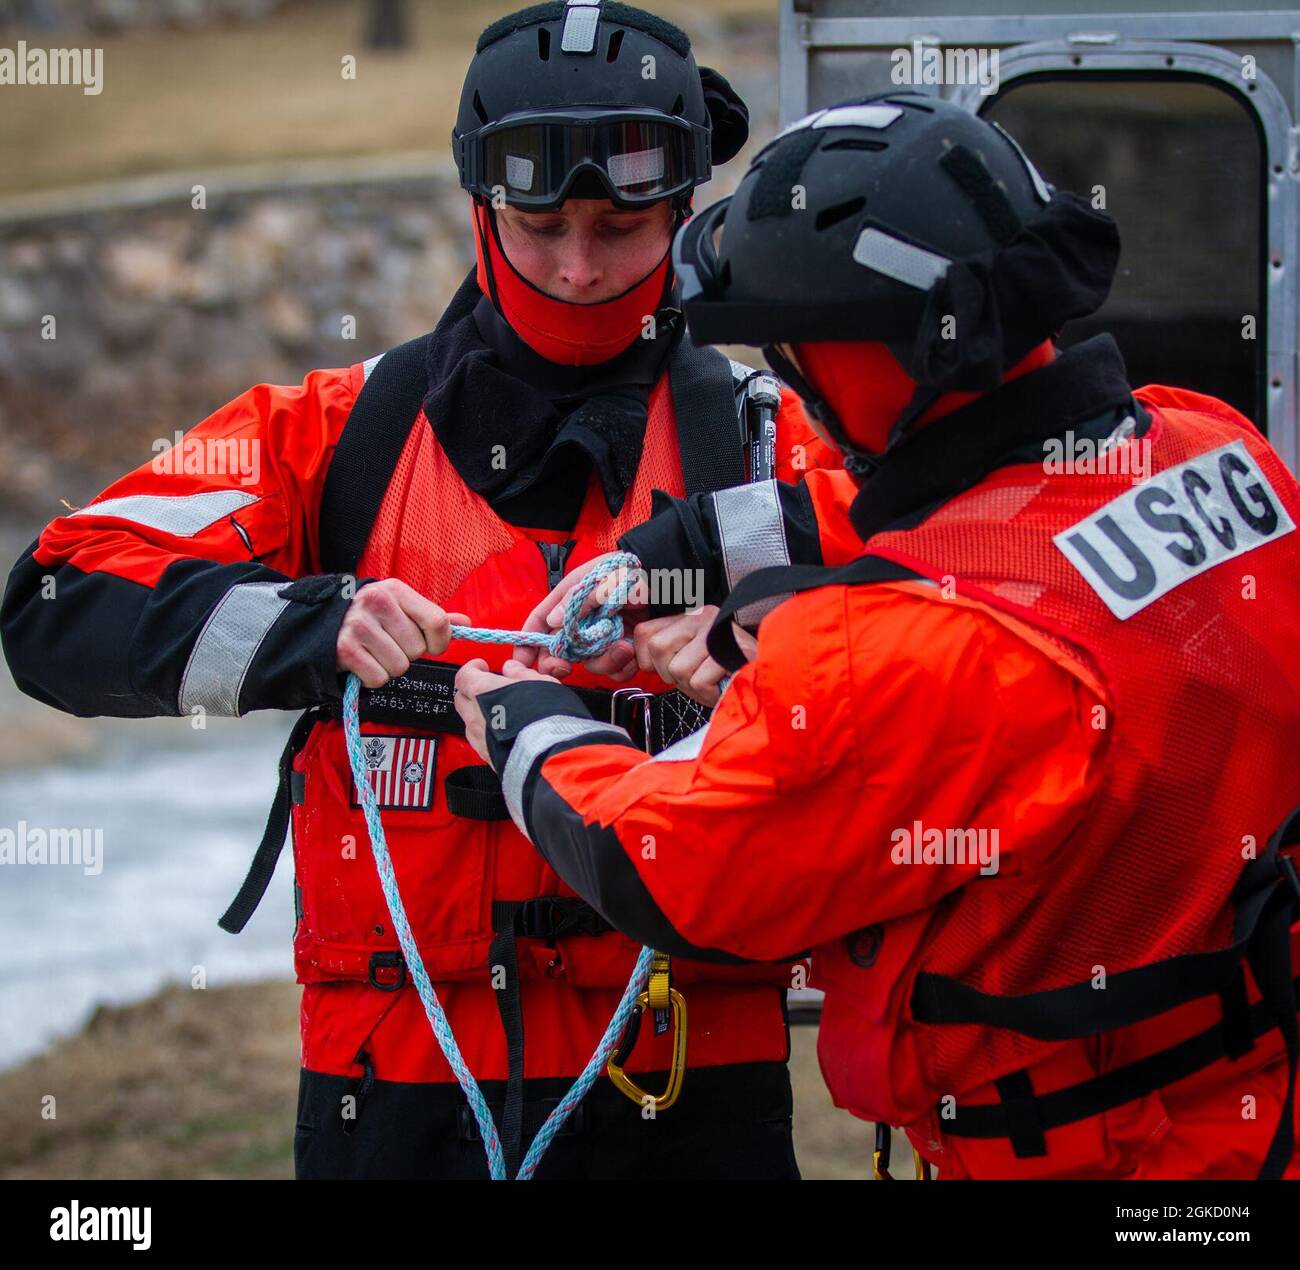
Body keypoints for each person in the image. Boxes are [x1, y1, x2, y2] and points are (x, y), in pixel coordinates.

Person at [1, 3, 836, 1180]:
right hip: (387, 1091)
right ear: (478, 206)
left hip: (686, 1076)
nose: (579, 266)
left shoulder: (769, 449)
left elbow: (946, 662)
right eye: (539, 222)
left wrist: (762, 659)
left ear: (683, 209)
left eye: (623, 224)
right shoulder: (332, 436)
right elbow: (51, 603)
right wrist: (309, 626)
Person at [454, 93, 1300, 1179]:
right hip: (1251, 1110)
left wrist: (522, 724)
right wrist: (677, 549)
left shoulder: (894, 653)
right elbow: (979, 513)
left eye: (798, 358)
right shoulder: (1206, 447)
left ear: (867, 362)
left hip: (1095, 1156)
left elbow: (665, 863)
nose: (793, 386)